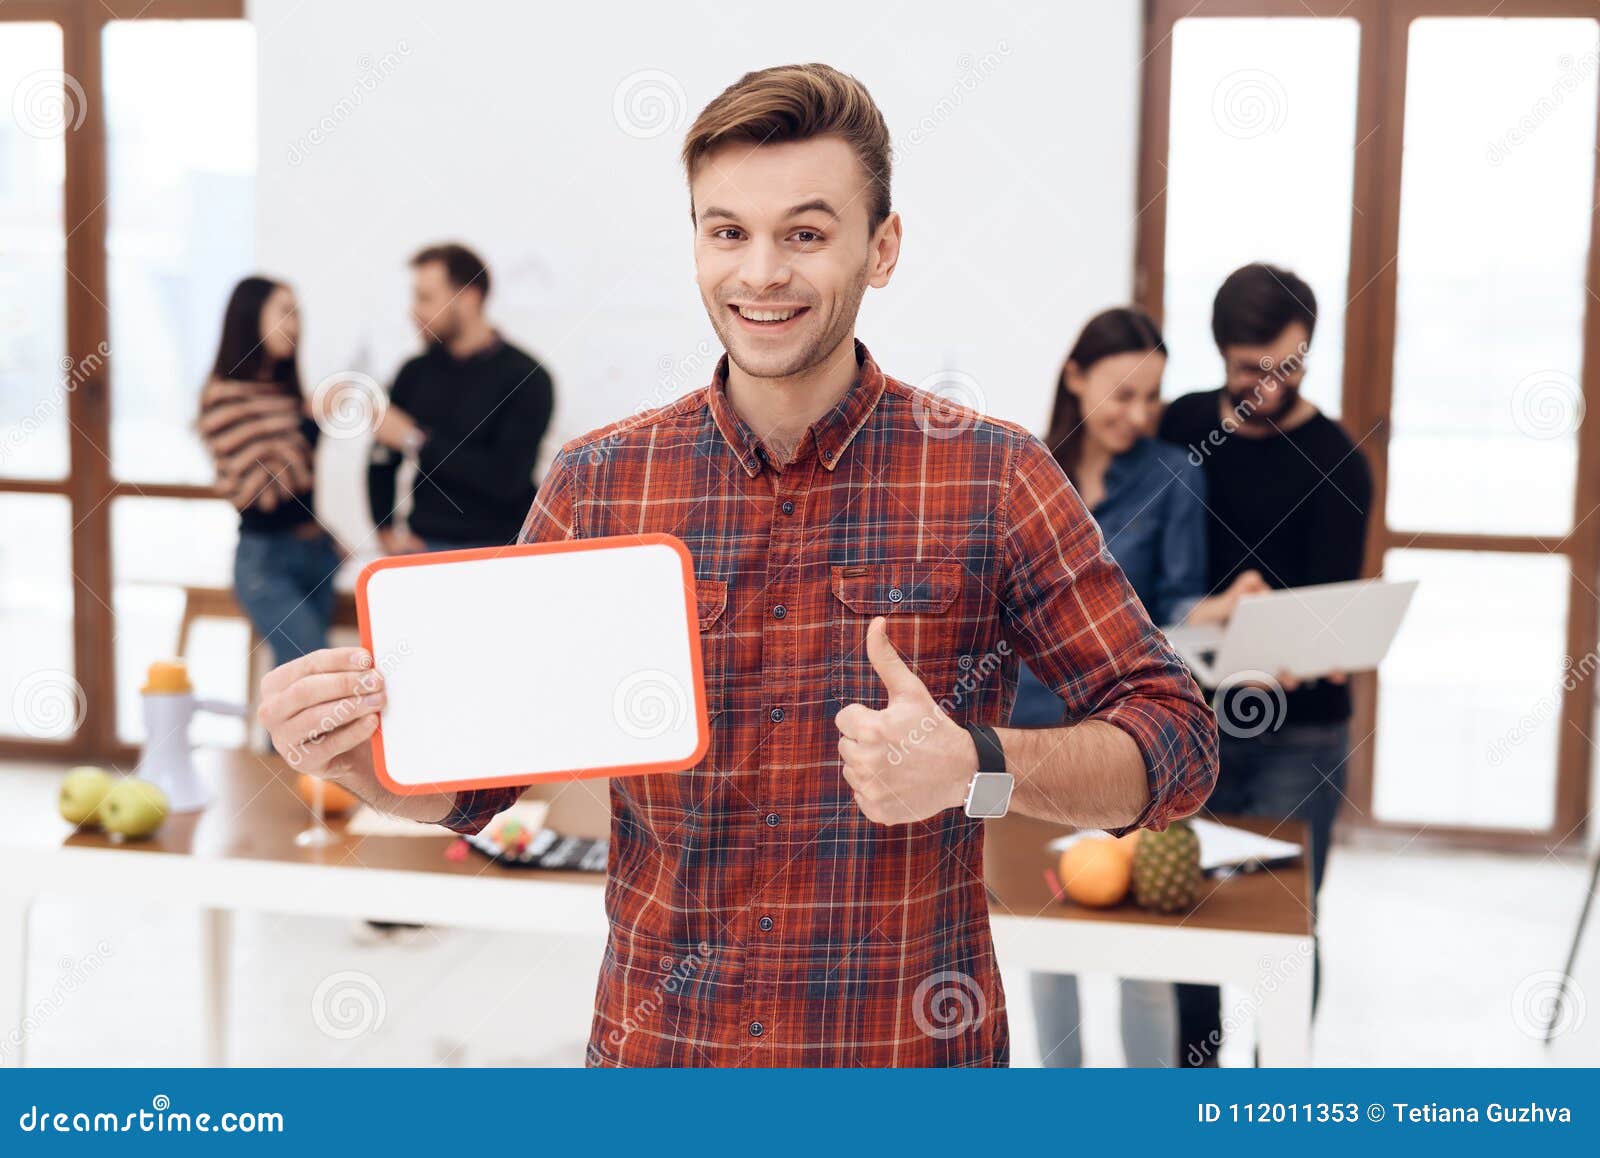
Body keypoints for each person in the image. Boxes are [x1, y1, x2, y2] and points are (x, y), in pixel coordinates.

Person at [259, 63, 1219, 1068]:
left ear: (880, 248)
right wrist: (350, 759)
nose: (761, 272)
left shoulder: (994, 475)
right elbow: (480, 790)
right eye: (727, 232)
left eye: (805, 233)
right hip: (662, 1062)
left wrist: (975, 765)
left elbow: (1178, 746)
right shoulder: (600, 486)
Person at [1016, 306, 1265, 1068]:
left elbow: (1178, 604)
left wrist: (1217, 611)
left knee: (1145, 963)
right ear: (1075, 376)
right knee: (1046, 947)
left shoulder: (1174, 476)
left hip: (1130, 741)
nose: (1137, 414)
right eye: (1121, 395)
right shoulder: (1024, 472)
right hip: (1030, 737)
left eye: (1150, 398)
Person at [1157, 262, 1373, 1066]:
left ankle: (1274, 1098)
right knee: (1188, 921)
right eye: (1252, 369)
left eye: (1288, 366)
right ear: (1220, 354)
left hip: (1299, 734)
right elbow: (1152, 578)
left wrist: (1295, 643)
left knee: (1285, 928)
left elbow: (1334, 605)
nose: (1269, 385)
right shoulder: (1177, 429)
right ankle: (1194, 1090)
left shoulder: (1338, 459)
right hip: (1191, 723)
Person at [367, 243, 555, 553]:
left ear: (468, 299)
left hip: (503, 549)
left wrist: (415, 439)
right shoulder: (413, 372)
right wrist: (384, 529)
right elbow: (382, 456)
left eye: (426, 298)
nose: (414, 311)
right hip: (426, 546)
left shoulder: (527, 377)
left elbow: (506, 479)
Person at [198, 276, 345, 669]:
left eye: (298, 314)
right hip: (267, 563)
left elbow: (298, 488)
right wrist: (310, 425)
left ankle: (275, 737)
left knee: (298, 687)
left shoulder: (284, 392)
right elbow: (262, 493)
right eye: (285, 312)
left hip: (315, 555)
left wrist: (325, 535)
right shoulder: (223, 397)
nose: (295, 324)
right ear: (250, 316)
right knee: (315, 669)